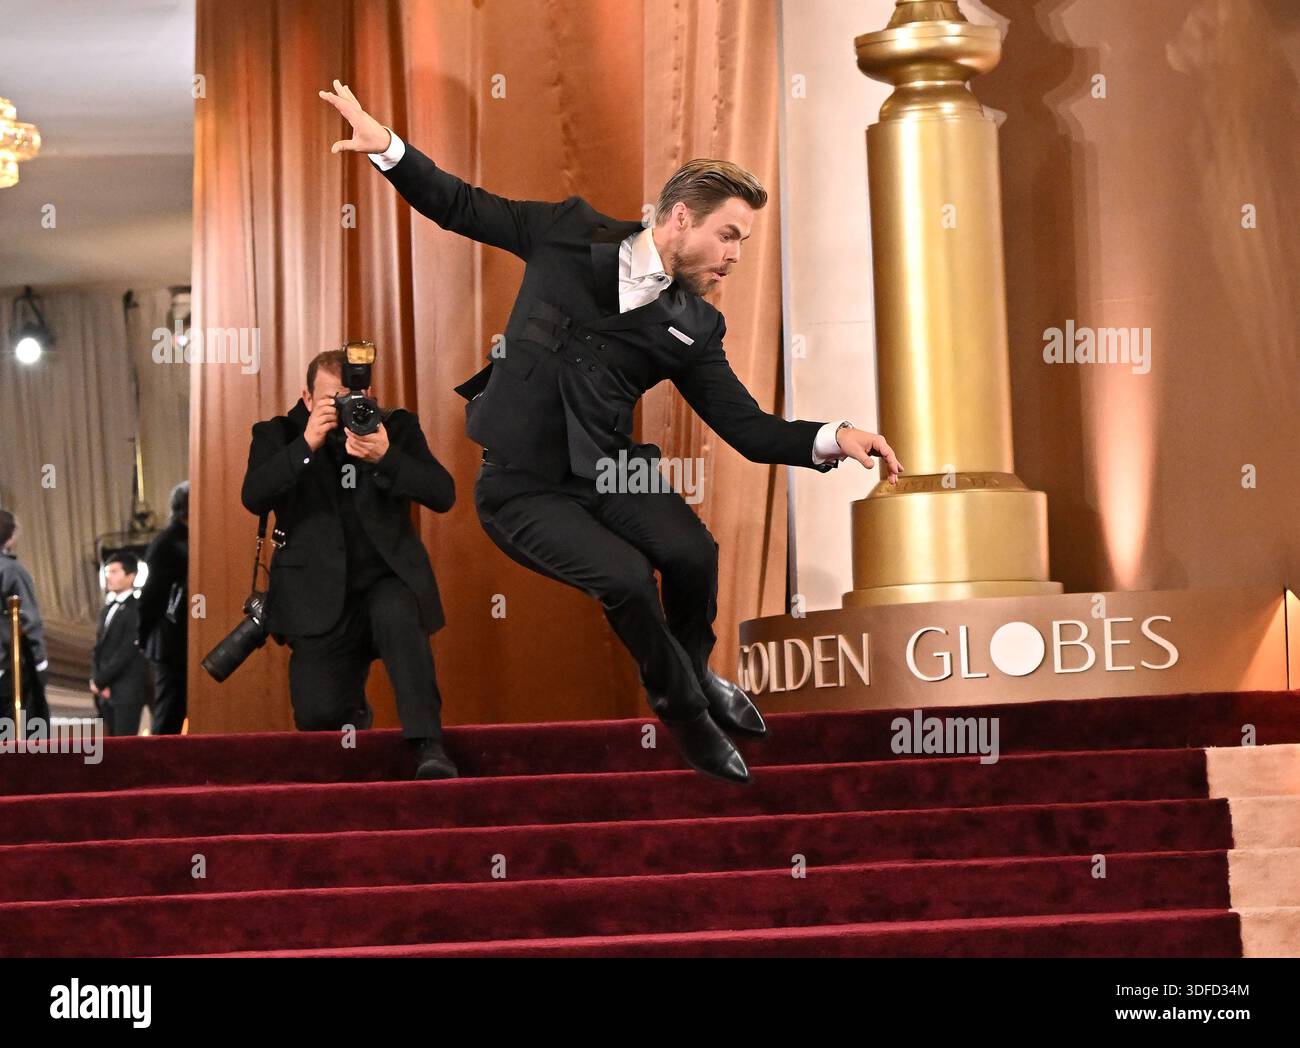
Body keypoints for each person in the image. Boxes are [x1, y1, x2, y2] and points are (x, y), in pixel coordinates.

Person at [320, 81, 904, 784]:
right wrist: (387, 147)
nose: (736, 255)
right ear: (682, 217)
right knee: (627, 578)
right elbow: (460, 205)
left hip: (610, 473)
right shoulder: (568, 232)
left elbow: (747, 429)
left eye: (742, 241)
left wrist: (837, 436)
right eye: (729, 235)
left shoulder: (695, 325)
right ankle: (686, 711)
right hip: (522, 488)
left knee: (692, 554)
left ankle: (692, 667)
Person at [240, 348, 458, 779]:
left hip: (385, 581)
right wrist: (306, 445)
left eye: (351, 397)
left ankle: (428, 746)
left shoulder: (394, 426)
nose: (344, 408)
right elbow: (254, 496)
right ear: (307, 398)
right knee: (319, 714)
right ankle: (352, 716)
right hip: (316, 597)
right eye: (331, 400)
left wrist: (386, 456)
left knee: (397, 611)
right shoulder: (278, 434)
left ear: (368, 392)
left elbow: (443, 493)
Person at [138, 481, 189, 734]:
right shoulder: (168, 542)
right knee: (169, 713)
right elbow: (152, 595)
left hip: (177, 639)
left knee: (174, 709)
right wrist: (144, 634)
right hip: (170, 641)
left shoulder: (181, 539)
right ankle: (158, 769)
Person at [91, 552, 150, 736]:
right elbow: (99, 647)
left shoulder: (138, 607)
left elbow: (128, 649)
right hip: (105, 690)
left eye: (115, 572)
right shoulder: (107, 608)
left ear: (130, 576)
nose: (109, 576)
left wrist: (102, 680)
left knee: (125, 745)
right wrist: (97, 680)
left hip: (127, 689)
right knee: (109, 746)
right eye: (107, 572)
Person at [0, 509, 49, 729]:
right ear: (11, 538)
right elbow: (27, 621)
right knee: (19, 739)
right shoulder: (12, 571)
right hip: (9, 669)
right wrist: (40, 662)